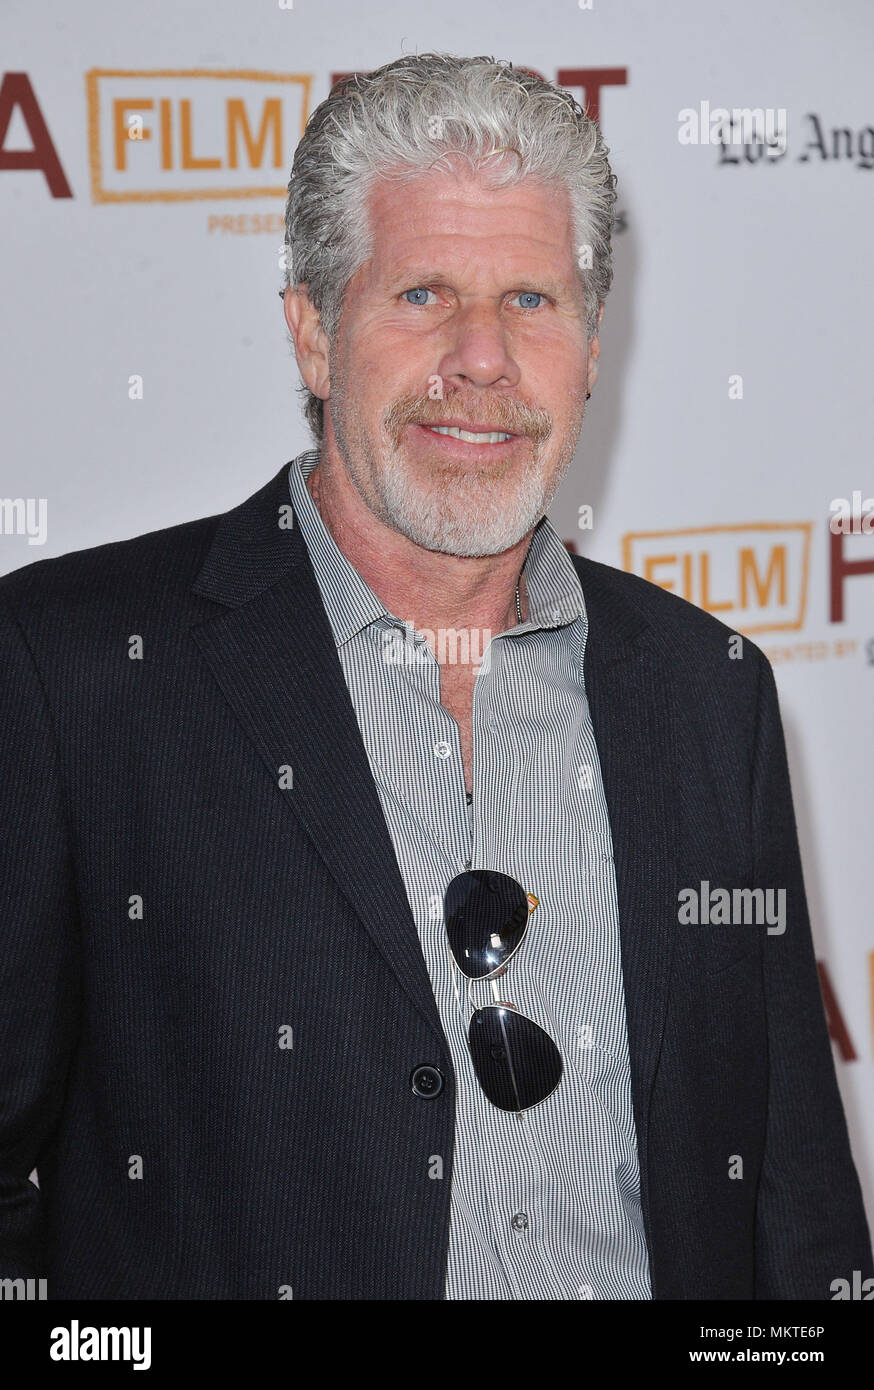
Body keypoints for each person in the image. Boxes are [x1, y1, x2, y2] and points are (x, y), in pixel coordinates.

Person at [1, 52, 870, 1301]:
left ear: (588, 349)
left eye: (531, 299)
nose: (482, 358)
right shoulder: (70, 672)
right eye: (421, 294)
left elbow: (791, 1197)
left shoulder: (705, 689)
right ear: (311, 330)